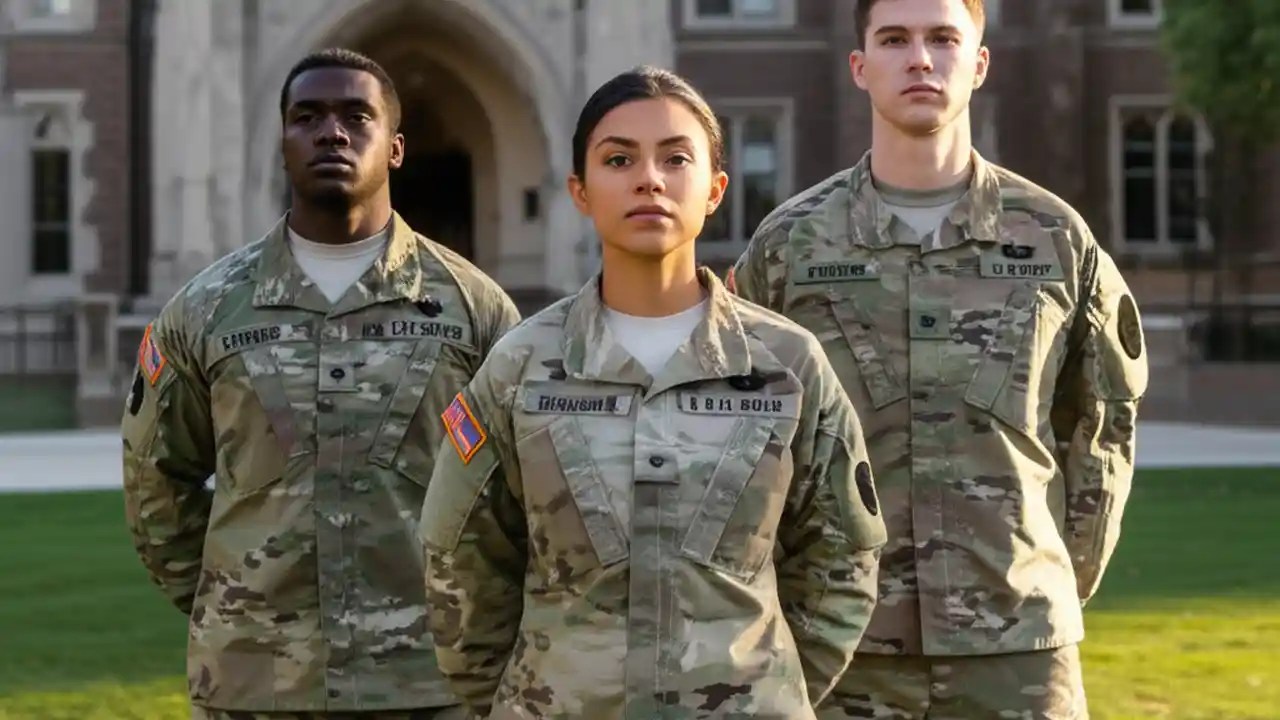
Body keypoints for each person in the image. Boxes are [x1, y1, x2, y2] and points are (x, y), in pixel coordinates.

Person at [417, 66, 887, 720]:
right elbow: (458, 557)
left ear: (716, 188)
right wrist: (531, 695)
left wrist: (763, 685)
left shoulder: (787, 365)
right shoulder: (520, 366)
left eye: (676, 158)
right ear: (579, 191)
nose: (650, 179)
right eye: (619, 159)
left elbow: (845, 553)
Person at [728, 1, 1150, 717]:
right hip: (843, 648)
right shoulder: (788, 246)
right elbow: (743, 432)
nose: (919, 58)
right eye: (894, 40)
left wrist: (1053, 578)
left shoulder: (1054, 238)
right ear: (859, 66)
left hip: (1018, 649)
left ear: (978, 63)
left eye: (942, 38)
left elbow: (1104, 420)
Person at [120, 48, 519, 720]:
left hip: (428, 684)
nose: (331, 131)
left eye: (355, 116)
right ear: (282, 145)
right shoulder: (206, 309)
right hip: (254, 687)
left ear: (394, 148)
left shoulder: (472, 309)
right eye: (307, 117)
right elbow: (155, 486)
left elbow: (520, 493)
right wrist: (233, 600)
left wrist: (472, 618)